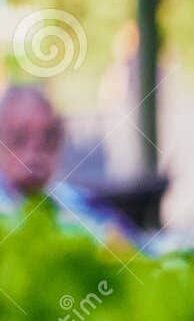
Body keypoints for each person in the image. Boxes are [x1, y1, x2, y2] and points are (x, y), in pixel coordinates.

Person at [0, 86, 126, 241]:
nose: (33, 153)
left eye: (48, 139)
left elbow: (139, 248)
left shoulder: (84, 204)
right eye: (19, 138)